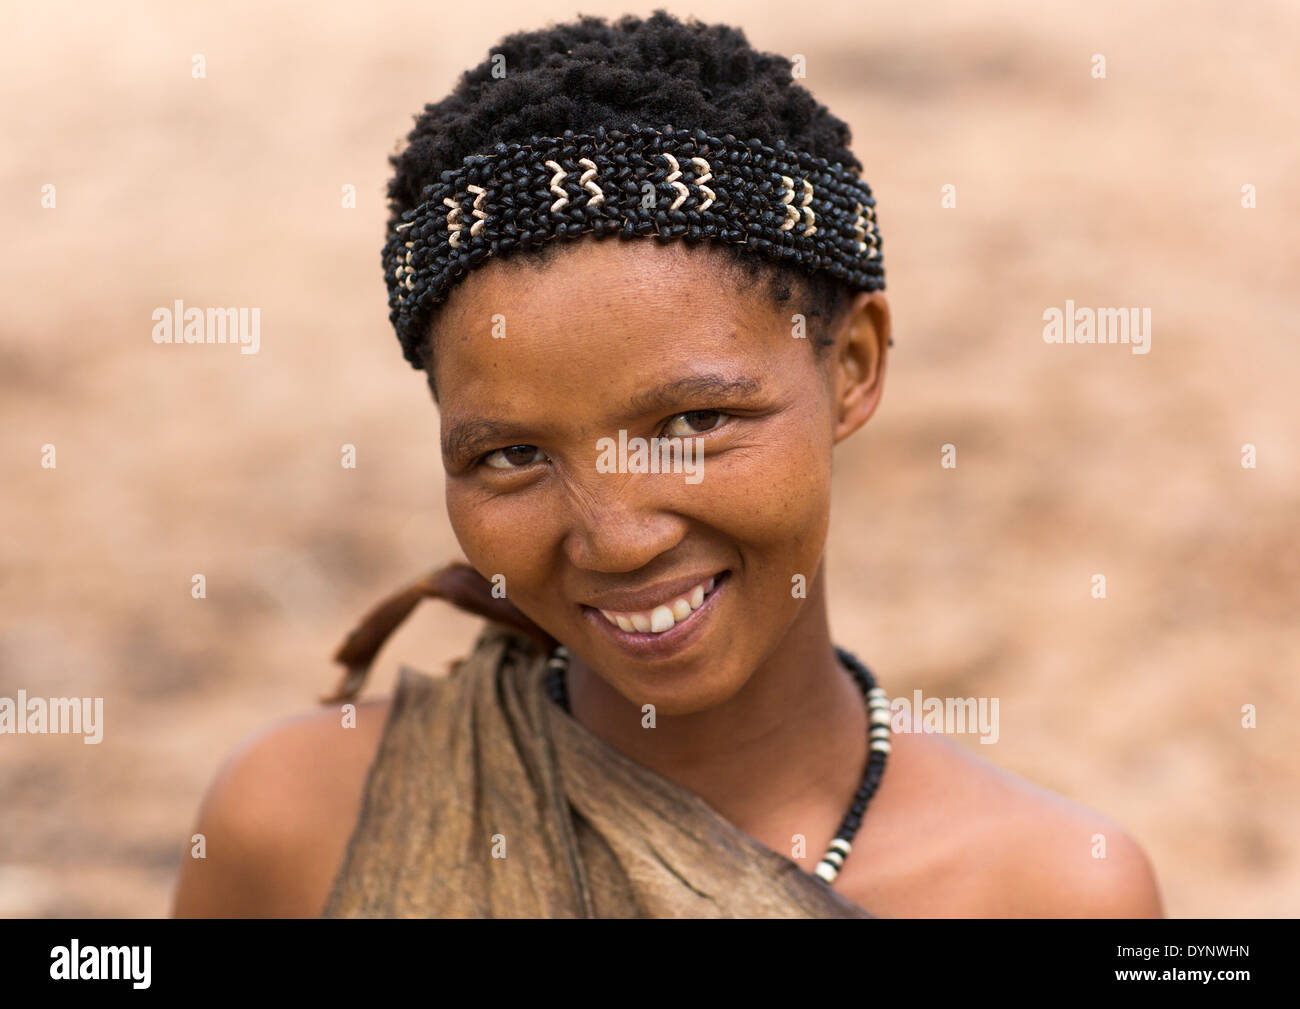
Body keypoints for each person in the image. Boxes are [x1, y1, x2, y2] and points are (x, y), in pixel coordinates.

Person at [172, 10, 1163, 918]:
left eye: (692, 423)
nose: (616, 535)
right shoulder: (299, 829)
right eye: (512, 454)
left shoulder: (1047, 890)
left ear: (852, 367)